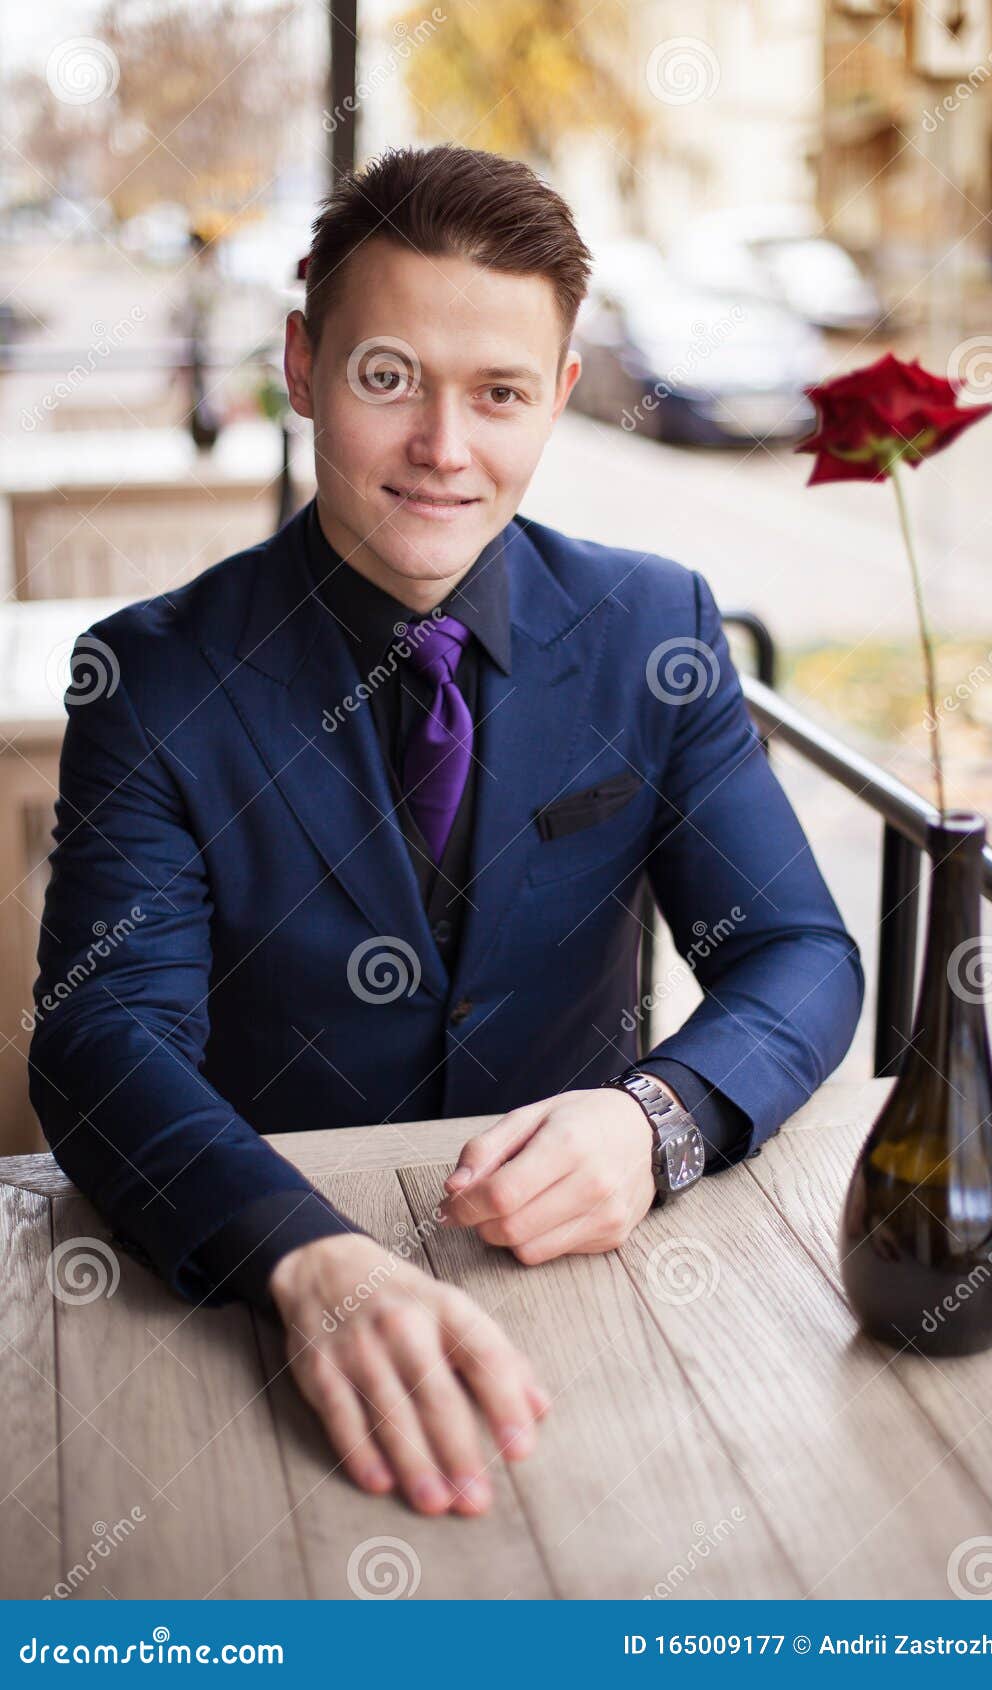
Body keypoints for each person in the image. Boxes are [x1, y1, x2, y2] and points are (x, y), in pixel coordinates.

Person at [29, 144, 864, 1523]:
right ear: (302, 368)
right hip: (251, 1319)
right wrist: (298, 1253)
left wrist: (659, 1118)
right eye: (388, 378)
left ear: (560, 401)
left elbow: (798, 951)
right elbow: (100, 1035)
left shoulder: (656, 630)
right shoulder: (154, 677)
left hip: (609, 1298)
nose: (443, 448)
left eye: (498, 394)